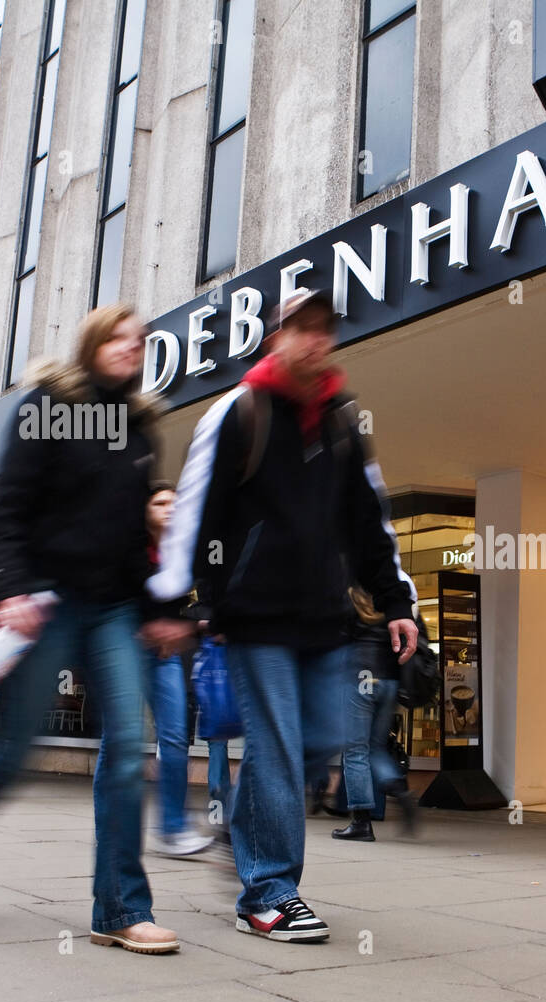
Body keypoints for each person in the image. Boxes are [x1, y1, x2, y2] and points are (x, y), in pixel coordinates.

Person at [146, 288, 417, 944]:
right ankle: (267, 892)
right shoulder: (238, 412)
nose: (314, 340)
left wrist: (399, 601)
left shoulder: (345, 424)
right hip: (255, 617)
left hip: (326, 621)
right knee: (275, 743)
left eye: (324, 329)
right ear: (276, 337)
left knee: (321, 742)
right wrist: (184, 602)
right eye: (301, 328)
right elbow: (195, 514)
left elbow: (369, 523)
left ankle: (240, 838)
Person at [0, 305, 182, 955]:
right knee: (13, 748)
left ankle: (118, 909)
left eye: (140, 340)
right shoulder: (49, 407)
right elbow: (7, 512)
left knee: (127, 744)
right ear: (91, 343)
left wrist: (155, 612)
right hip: (49, 602)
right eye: (118, 337)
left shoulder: (140, 430)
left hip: (114, 606)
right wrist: (10, 591)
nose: (131, 348)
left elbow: (130, 541)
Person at [95, 483, 212, 858]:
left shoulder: (183, 552)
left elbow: (187, 605)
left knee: (176, 736)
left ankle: (173, 828)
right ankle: (108, 826)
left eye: (175, 503)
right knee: (117, 740)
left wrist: (194, 625)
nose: (169, 509)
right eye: (160, 502)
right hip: (125, 651)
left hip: (164, 656)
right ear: (144, 510)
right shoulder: (127, 547)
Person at [332, 585, 418, 842]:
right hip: (389, 680)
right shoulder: (391, 600)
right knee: (376, 748)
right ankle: (400, 791)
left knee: (355, 750)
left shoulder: (348, 598)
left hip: (359, 676)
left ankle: (361, 823)